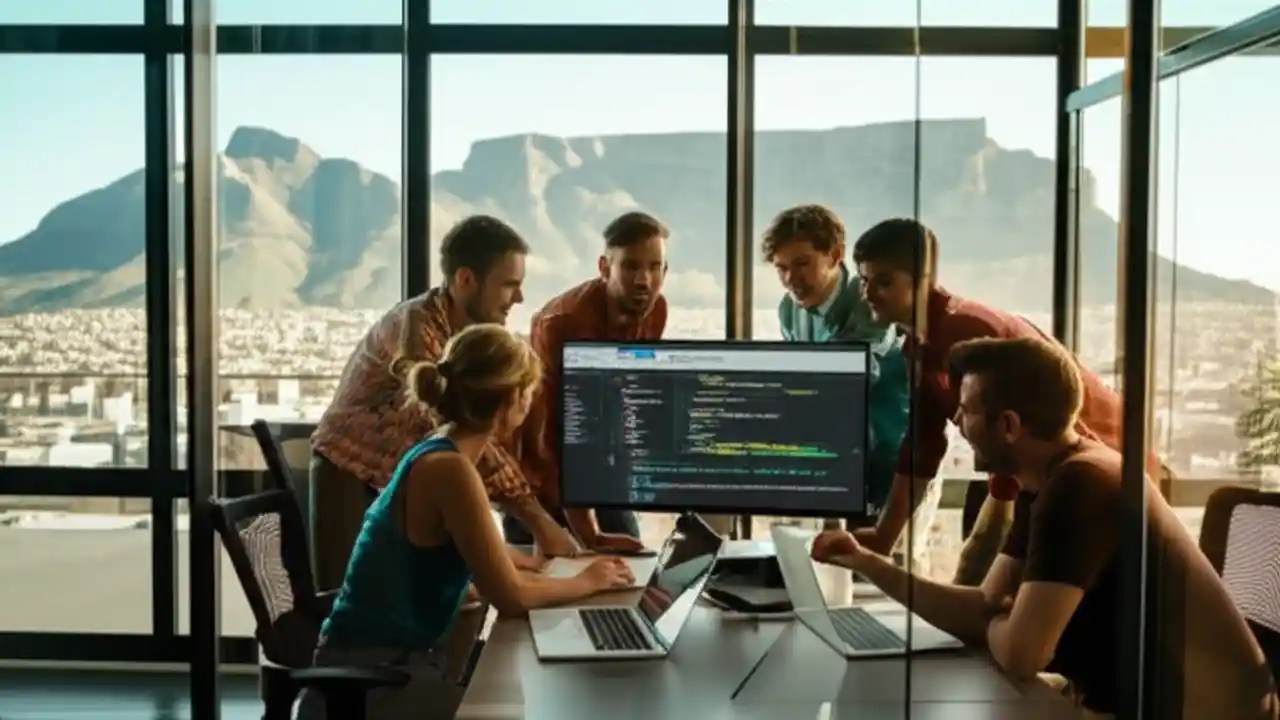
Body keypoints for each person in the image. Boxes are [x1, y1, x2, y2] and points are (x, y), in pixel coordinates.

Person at [810, 337, 1279, 719]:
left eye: (967, 410)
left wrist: (1002, 622)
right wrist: (868, 564)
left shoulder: (1081, 484)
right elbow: (986, 605)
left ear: (1009, 425)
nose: (956, 422)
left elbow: (1021, 653)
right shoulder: (1047, 479)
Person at [298, 324, 635, 720]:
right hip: (370, 685)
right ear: (512, 400)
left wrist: (516, 561)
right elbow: (510, 599)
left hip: (380, 668)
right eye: (528, 393)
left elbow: (454, 551)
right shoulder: (451, 472)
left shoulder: (438, 450)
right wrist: (588, 581)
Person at [850, 218, 1160, 584]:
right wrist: (884, 537)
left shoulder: (964, 330)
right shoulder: (920, 345)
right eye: (865, 281)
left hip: (1097, 472)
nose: (869, 294)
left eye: (884, 282)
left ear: (922, 280)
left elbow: (1026, 433)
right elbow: (922, 446)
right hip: (1047, 472)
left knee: (991, 584)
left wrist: (988, 536)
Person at [311, 215, 580, 592]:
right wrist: (539, 522)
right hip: (348, 474)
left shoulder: (471, 338)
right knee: (345, 604)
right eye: (509, 285)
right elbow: (470, 430)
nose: (519, 298)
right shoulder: (417, 330)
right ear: (465, 280)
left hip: (398, 479)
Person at [515, 211, 670, 552]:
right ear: (604, 268)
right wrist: (587, 534)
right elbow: (549, 432)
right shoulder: (564, 324)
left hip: (600, 463)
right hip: (540, 475)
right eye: (630, 266)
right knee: (542, 586)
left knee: (631, 565)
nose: (644, 280)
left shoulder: (656, 310)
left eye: (655, 266)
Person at [761, 204, 909, 515]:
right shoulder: (789, 310)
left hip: (895, 459)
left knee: (885, 558)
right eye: (781, 267)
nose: (791, 279)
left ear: (835, 255)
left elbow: (844, 382)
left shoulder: (870, 301)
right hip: (839, 458)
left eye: (802, 264)